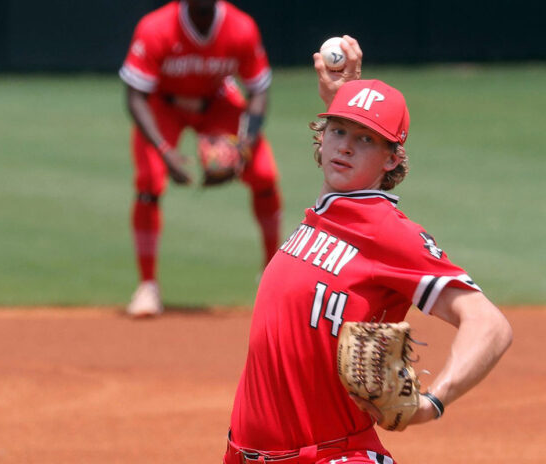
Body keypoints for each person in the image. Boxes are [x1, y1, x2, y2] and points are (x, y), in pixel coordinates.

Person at [223, 37, 513, 463]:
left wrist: (432, 402)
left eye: (365, 140)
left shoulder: (386, 232)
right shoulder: (326, 213)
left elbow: (489, 323)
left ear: (392, 159)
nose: (344, 146)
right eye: (338, 131)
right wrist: (347, 95)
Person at [119, 0, 281, 316]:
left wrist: (245, 145)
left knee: (263, 174)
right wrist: (165, 153)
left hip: (216, 103)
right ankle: (147, 286)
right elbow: (134, 96)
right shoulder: (155, 28)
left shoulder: (240, 27)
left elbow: (259, 90)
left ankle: (273, 277)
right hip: (162, 106)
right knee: (149, 181)